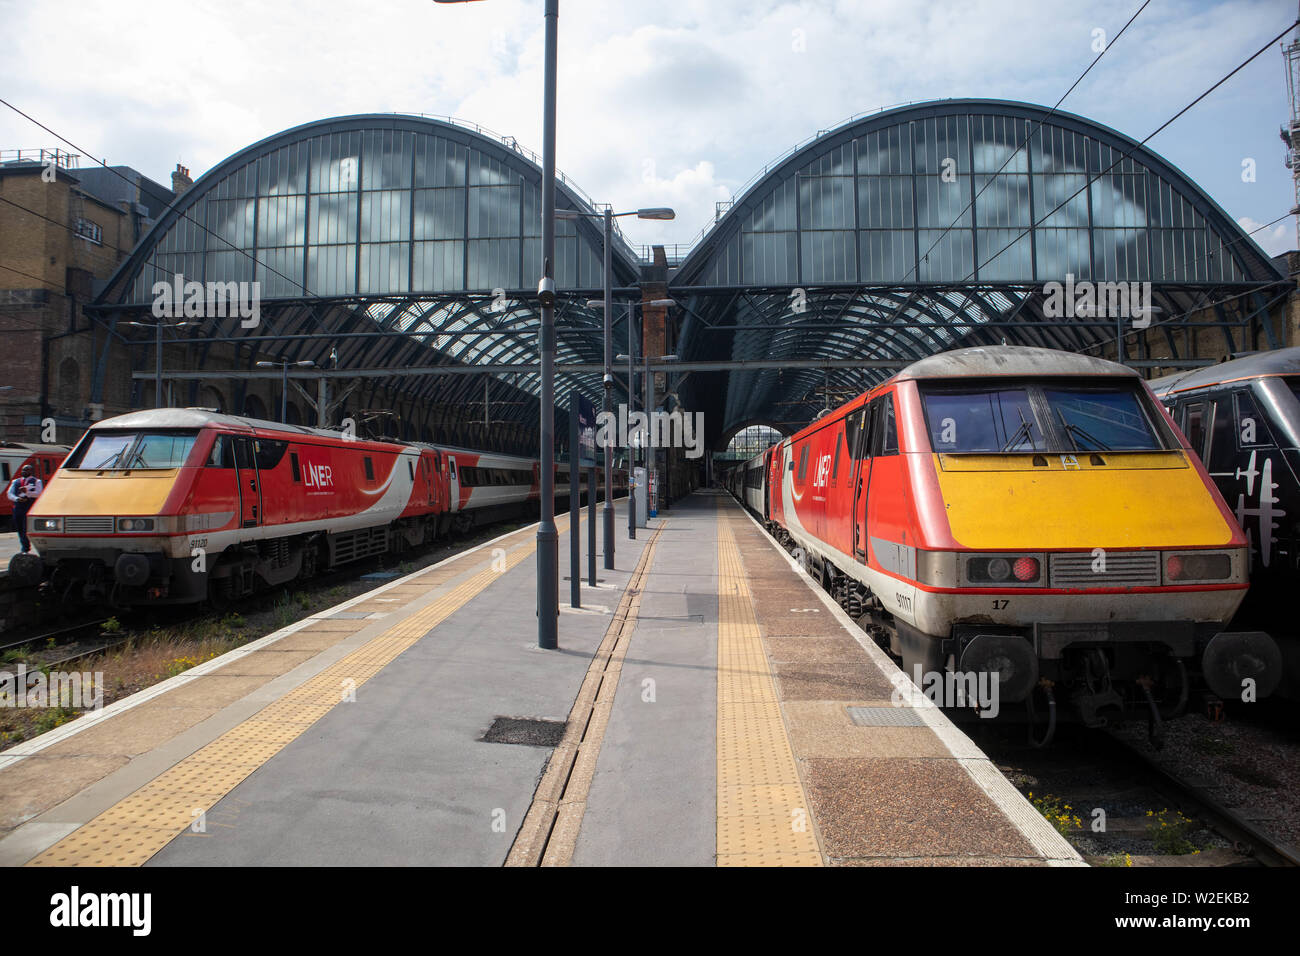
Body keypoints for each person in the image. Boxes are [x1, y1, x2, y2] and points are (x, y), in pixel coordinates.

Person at [7, 463, 43, 553]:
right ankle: (24, 546)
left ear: (31, 471)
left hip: (29, 506)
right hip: (18, 506)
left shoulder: (37, 481)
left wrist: (27, 493)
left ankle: (25, 548)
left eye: (26, 470)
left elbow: (39, 493)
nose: (24, 471)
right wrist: (16, 499)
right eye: (23, 470)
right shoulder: (16, 481)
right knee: (19, 527)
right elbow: (9, 493)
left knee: (25, 527)